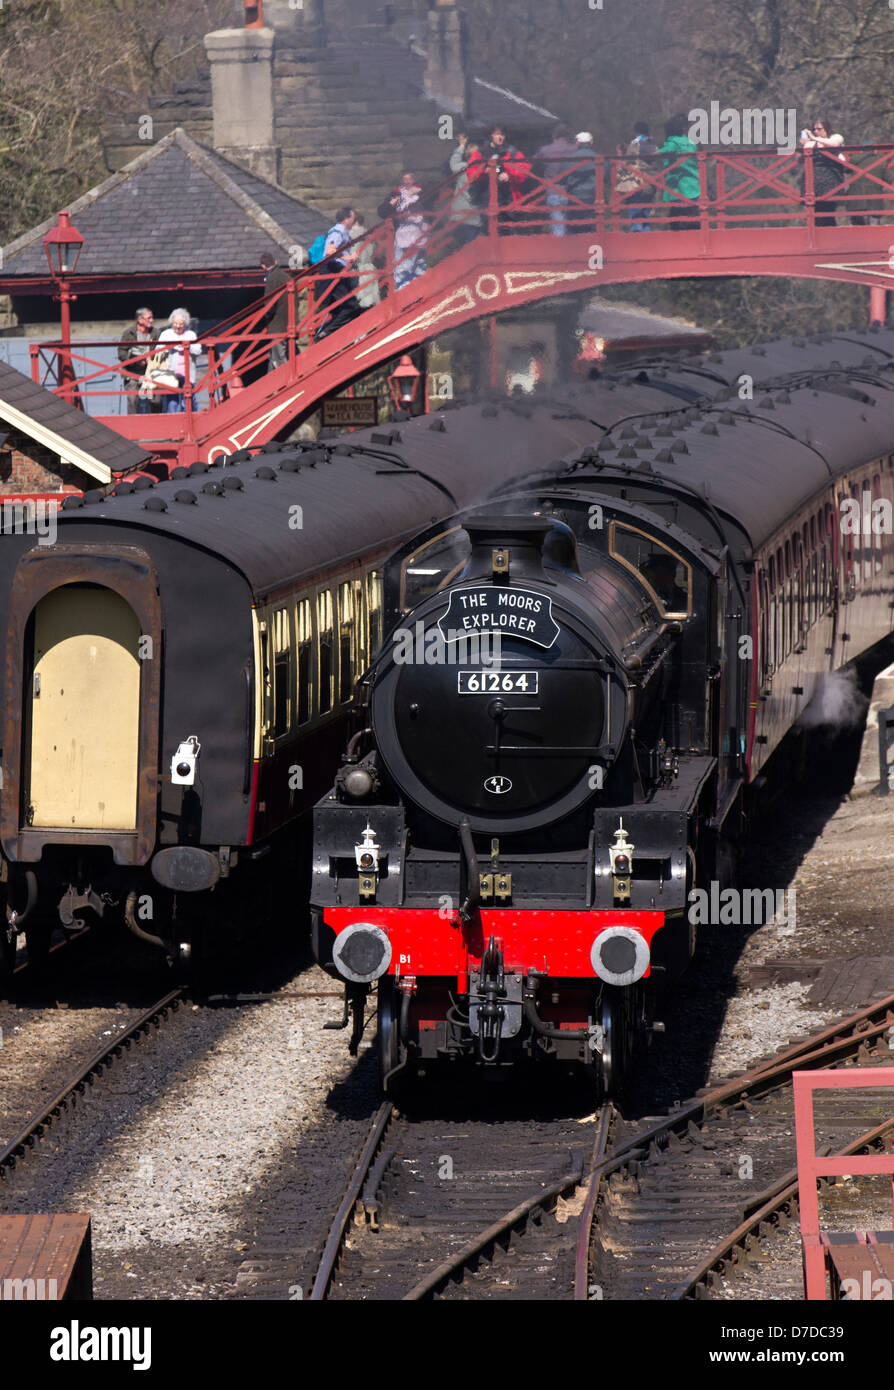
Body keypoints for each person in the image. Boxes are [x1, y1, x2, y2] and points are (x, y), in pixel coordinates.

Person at [469, 125, 532, 234]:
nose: (500, 137)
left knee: (509, 227)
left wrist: (510, 175)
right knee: (489, 228)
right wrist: (484, 170)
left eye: (502, 134)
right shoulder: (481, 152)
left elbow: (525, 167)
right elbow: (471, 171)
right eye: (497, 134)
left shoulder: (511, 151)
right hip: (486, 196)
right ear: (491, 135)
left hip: (508, 195)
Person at [383, 172, 430, 289]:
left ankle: (420, 291)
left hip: (417, 232)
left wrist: (420, 192)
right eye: (404, 179)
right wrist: (391, 205)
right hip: (403, 233)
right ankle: (403, 291)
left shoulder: (422, 191)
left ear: (413, 180)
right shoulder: (397, 193)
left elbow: (432, 201)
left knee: (418, 265)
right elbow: (383, 210)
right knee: (403, 266)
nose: (407, 182)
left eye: (409, 179)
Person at [534, 123, 581, 235]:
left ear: (553, 136)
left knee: (558, 227)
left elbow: (533, 162)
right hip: (570, 191)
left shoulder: (545, 150)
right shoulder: (574, 149)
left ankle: (561, 250)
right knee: (573, 226)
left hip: (553, 191)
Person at [800, 119, 847, 226]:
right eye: (814, 129)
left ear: (827, 128)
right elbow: (802, 157)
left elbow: (834, 144)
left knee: (828, 211)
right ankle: (817, 237)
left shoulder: (836, 137)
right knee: (816, 213)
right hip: (814, 183)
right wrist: (805, 143)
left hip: (831, 180)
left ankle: (830, 237)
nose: (816, 131)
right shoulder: (812, 142)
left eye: (819, 129)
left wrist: (813, 138)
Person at [659, 115, 700, 230]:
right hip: (694, 185)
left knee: (677, 218)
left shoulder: (672, 142)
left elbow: (662, 153)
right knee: (694, 216)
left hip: (677, 188)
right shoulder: (691, 143)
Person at [157, 308, 201, 413]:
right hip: (171, 374)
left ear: (185, 324)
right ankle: (173, 424)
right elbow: (158, 352)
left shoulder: (190, 334)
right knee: (172, 402)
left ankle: (192, 421)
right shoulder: (166, 334)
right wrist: (168, 348)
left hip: (188, 374)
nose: (178, 326)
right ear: (171, 322)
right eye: (175, 323)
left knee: (189, 401)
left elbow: (198, 350)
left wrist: (187, 346)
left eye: (181, 324)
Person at [618, 121, 658, 232]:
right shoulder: (652, 144)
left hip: (636, 184)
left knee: (636, 216)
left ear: (635, 131)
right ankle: (646, 242)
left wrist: (621, 155)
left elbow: (627, 164)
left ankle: (637, 242)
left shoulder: (635, 144)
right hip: (650, 185)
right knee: (645, 217)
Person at [117, 307, 158, 414]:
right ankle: (132, 424)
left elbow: (161, 351)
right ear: (140, 320)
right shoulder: (128, 333)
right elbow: (121, 353)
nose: (152, 320)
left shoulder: (155, 333)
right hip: (132, 372)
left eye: (152, 318)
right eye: (149, 318)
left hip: (150, 371)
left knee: (156, 399)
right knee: (132, 398)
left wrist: (152, 359)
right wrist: (135, 361)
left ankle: (157, 421)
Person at [448, 131, 484, 246]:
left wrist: (461, 146)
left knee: (473, 240)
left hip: (470, 212)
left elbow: (453, 163)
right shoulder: (467, 168)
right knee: (472, 240)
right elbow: (454, 164)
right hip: (470, 211)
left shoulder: (464, 167)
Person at [260, 251, 292, 371]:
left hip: (277, 324)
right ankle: (270, 386)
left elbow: (269, 304)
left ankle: (284, 385)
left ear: (263, 266)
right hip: (289, 321)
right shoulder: (285, 276)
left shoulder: (271, 277)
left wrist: (266, 315)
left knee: (278, 357)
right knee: (275, 356)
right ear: (276, 262)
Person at [565, 132, 599, 230]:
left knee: (574, 226)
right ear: (591, 142)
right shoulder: (599, 158)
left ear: (577, 143)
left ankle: (576, 244)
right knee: (593, 224)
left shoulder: (569, 158)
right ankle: (594, 243)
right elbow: (607, 176)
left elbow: (560, 178)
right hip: (594, 196)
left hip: (574, 196)